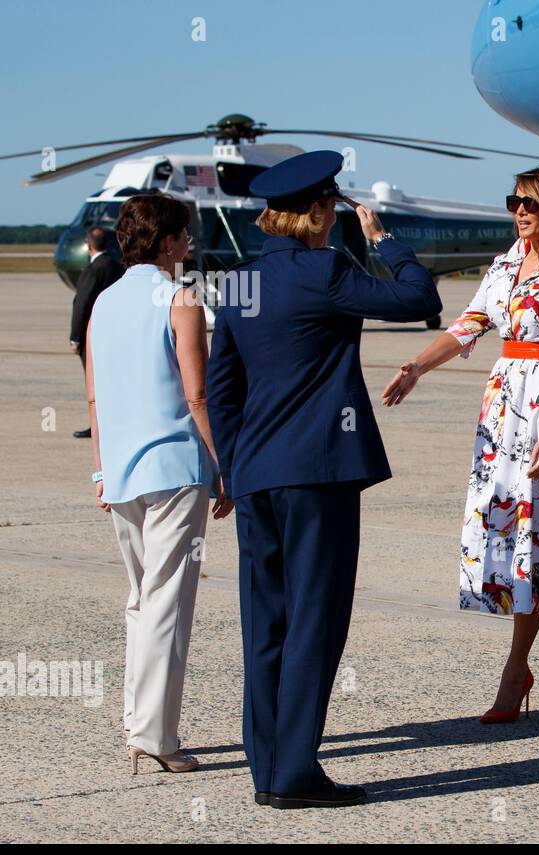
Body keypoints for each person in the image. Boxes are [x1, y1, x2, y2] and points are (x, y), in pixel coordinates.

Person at [207, 150, 439, 808]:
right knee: (315, 618)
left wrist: (232, 464)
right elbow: (418, 298)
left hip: (255, 474)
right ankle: (295, 771)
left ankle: (267, 767)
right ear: (314, 213)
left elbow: (223, 391)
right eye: (331, 207)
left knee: (266, 623)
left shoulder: (240, 283)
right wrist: (387, 243)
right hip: (316, 474)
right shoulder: (326, 269)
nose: (335, 216)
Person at [382, 166, 539, 724]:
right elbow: (469, 324)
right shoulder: (505, 265)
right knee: (512, 535)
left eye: (529, 202)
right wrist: (417, 367)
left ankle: (516, 674)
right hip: (504, 409)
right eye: (514, 202)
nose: (520, 211)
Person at [84, 194, 232, 774]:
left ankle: (137, 722)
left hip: (120, 471)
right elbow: (198, 395)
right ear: (166, 241)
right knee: (167, 602)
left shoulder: (103, 303)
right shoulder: (181, 298)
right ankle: (157, 737)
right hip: (174, 469)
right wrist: (224, 465)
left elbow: (95, 396)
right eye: (185, 235)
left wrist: (100, 469)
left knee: (140, 599)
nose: (190, 244)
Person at [70, 227, 124, 438]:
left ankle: (99, 427)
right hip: (116, 333)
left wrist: (75, 337)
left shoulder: (93, 270)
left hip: (93, 336)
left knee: (95, 384)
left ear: (89, 246)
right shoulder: (117, 267)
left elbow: (81, 305)